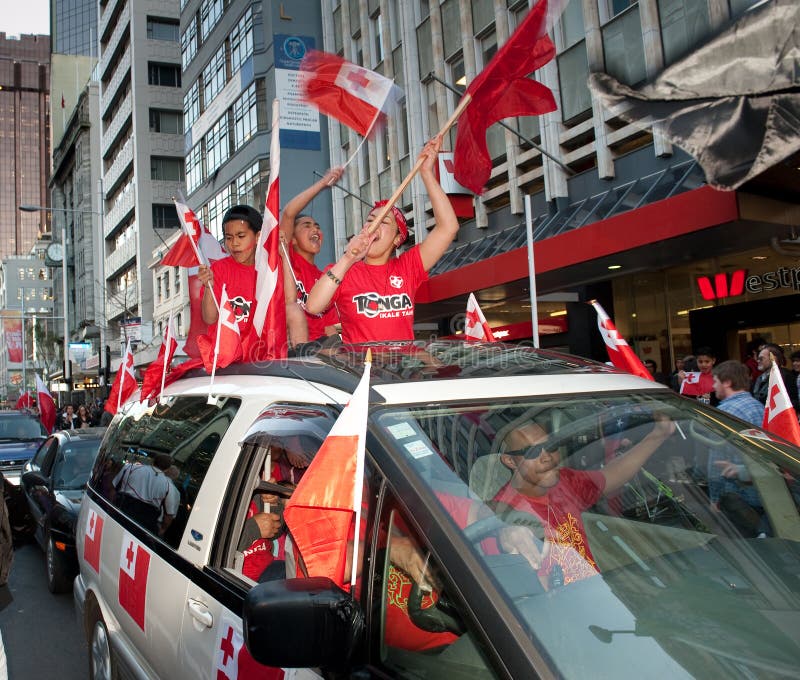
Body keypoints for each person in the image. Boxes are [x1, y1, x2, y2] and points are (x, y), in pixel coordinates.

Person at [305, 135, 459, 343]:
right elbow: (313, 306)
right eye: (370, 220)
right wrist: (349, 257)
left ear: (397, 239)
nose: (373, 226)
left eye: (383, 221)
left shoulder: (408, 267)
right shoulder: (345, 270)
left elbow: (449, 227)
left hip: (401, 363)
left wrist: (426, 173)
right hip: (361, 363)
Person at [493, 416, 674, 586]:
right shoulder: (504, 514)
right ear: (510, 461)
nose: (547, 457)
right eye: (532, 452)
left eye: (550, 445)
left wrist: (659, 433)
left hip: (600, 593)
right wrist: (503, 530)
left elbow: (610, 476)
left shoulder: (564, 482)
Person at [279, 168, 344, 342]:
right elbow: (288, 213)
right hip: (297, 348)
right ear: (292, 239)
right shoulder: (286, 258)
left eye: (317, 227)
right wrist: (323, 183)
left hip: (323, 348)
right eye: (306, 226)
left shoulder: (324, 278)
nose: (315, 229)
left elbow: (330, 326)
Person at [707, 360, 769, 535]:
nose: (713, 386)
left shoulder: (724, 414)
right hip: (763, 491)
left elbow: (716, 459)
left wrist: (714, 498)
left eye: (715, 381)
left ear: (727, 382)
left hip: (737, 495)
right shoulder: (759, 406)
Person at [112, 453, 179, 536]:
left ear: (153, 461)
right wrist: (161, 530)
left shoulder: (131, 467)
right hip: (144, 526)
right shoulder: (169, 487)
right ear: (167, 469)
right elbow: (168, 515)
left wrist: (111, 507)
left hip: (121, 511)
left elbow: (113, 488)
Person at [751, 343, 799, 409]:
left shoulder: (786, 377)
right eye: (758, 359)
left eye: (761, 359)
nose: (758, 361)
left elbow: (793, 401)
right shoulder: (759, 378)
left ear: (773, 359)